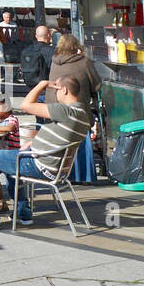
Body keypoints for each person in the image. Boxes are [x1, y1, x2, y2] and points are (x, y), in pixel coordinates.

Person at [0, 75, 92, 226]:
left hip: (39, 164)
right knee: (10, 159)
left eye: (56, 90)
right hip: (54, 167)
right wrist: (34, 143)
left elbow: (26, 105)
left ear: (64, 90)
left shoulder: (65, 111)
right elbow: (61, 139)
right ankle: (23, 212)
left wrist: (42, 84)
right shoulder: (82, 115)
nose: (54, 93)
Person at [48, 33, 101, 183]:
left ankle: (62, 174)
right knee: (80, 138)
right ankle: (83, 176)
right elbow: (96, 84)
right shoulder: (84, 62)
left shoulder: (54, 62)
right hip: (77, 110)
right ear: (76, 45)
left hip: (56, 109)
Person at [19, 26, 55, 91]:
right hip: (47, 88)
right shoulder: (52, 51)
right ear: (49, 35)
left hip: (30, 89)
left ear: (36, 36)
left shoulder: (26, 51)